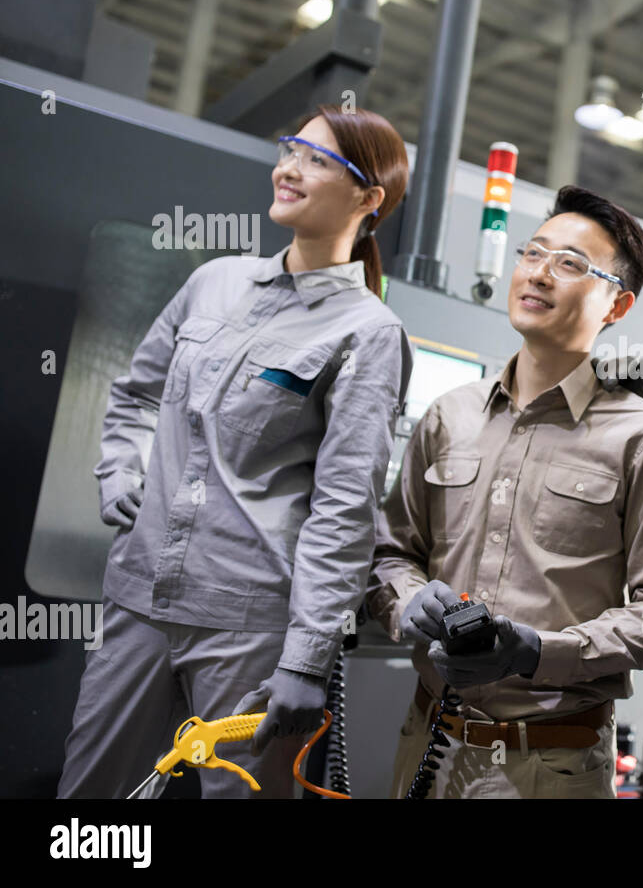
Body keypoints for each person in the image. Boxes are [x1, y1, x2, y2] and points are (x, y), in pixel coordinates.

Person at [58, 104, 413, 798]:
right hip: (140, 598)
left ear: (369, 200)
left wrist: (307, 661)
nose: (289, 169)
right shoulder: (213, 282)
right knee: (92, 805)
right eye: (291, 149)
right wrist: (119, 472)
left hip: (248, 625)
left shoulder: (369, 333)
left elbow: (342, 510)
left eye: (318, 160)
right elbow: (135, 394)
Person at [367, 185, 643, 799]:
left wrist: (538, 652)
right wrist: (409, 602)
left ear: (616, 305)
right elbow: (392, 554)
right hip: (428, 742)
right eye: (532, 253)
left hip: (552, 765)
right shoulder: (449, 416)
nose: (539, 273)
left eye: (569, 263)